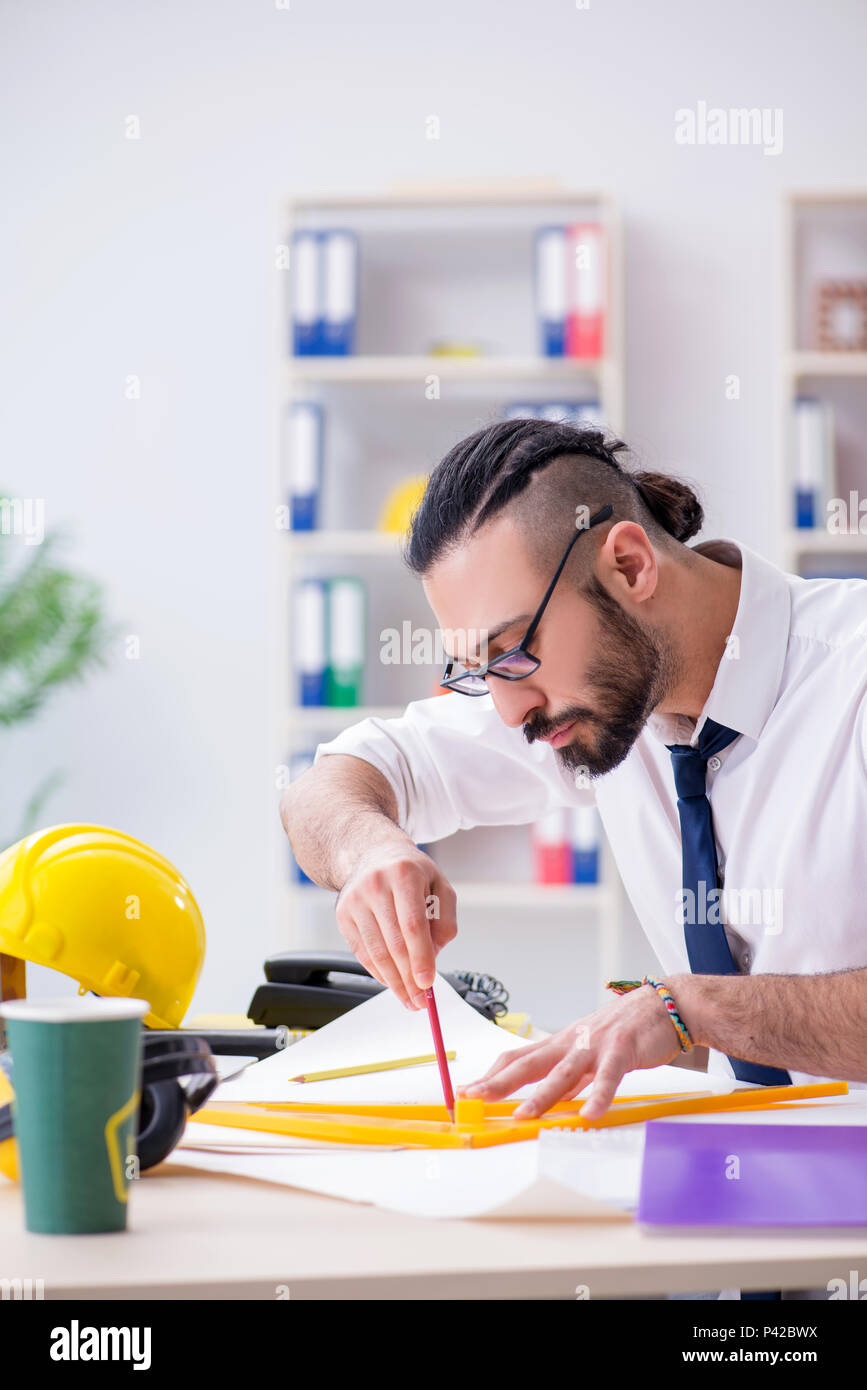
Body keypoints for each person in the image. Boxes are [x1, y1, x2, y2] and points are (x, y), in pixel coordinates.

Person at [281, 417, 867, 1131]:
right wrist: (367, 851)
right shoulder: (595, 700)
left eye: (511, 650)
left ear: (628, 566)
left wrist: (691, 1010)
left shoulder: (851, 677)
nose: (507, 710)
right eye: (479, 671)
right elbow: (333, 783)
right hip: (751, 1172)